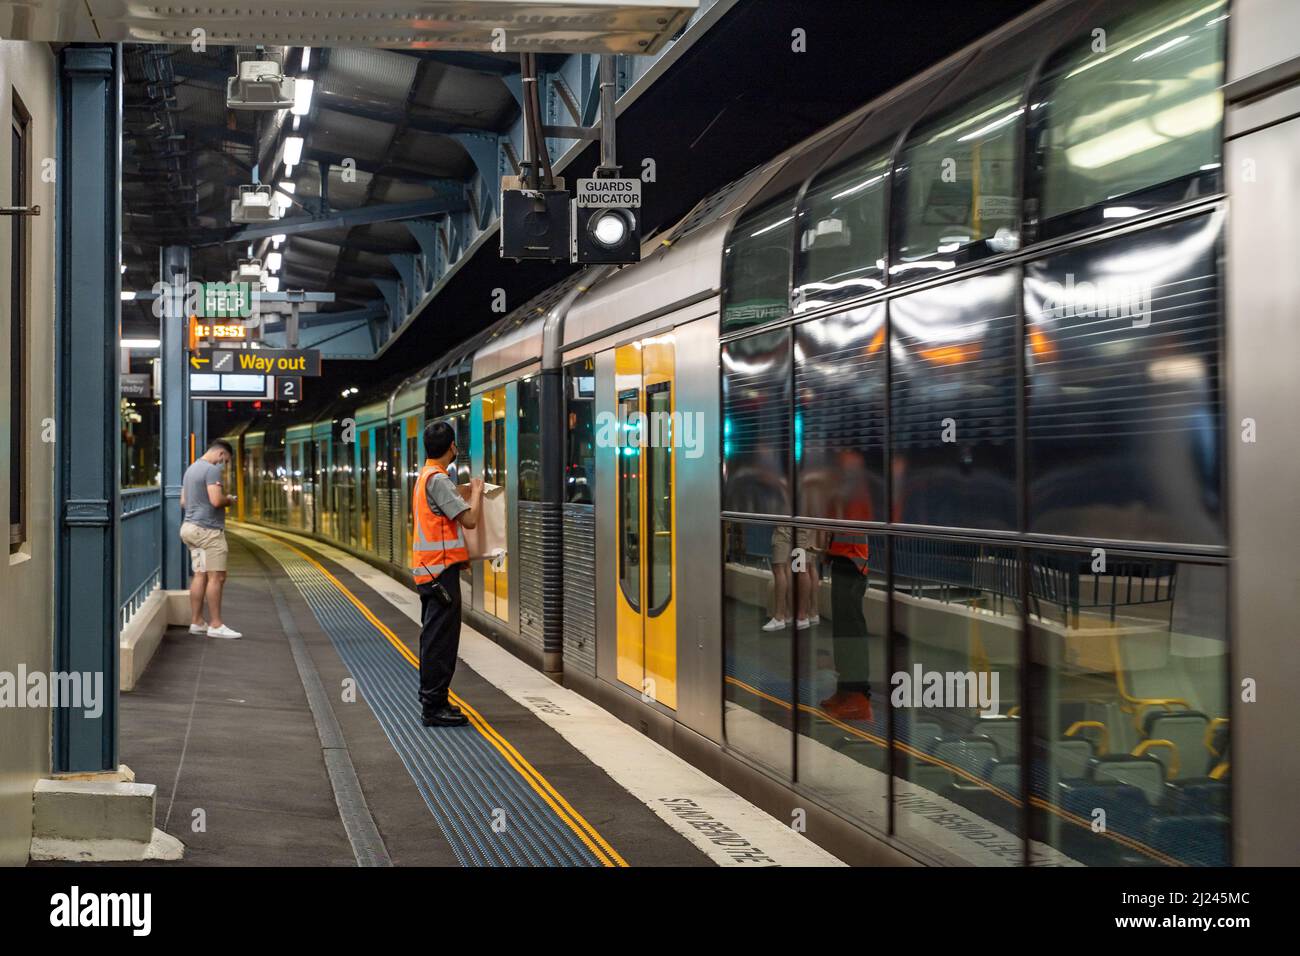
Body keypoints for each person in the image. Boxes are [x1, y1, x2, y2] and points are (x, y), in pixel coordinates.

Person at [412, 421, 483, 727]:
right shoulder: (437, 479)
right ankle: (434, 705)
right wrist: (477, 493)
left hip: (433, 569)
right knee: (440, 640)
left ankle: (436, 700)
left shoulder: (425, 476)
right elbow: (469, 520)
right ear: (452, 447)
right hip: (440, 572)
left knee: (435, 637)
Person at [179, 439, 241, 639]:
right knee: (217, 577)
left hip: (189, 528)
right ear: (221, 454)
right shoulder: (212, 470)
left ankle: (197, 622)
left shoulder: (191, 469)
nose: (224, 464)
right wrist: (229, 500)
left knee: (200, 574)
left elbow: (183, 502)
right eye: (226, 460)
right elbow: (216, 500)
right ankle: (216, 625)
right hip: (208, 532)